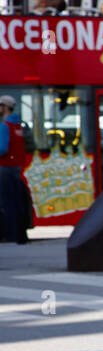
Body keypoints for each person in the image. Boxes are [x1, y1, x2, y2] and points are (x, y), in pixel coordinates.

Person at [0, 95, 32, 244]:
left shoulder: (4, 125)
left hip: (4, 168)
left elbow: (2, 149)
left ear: (5, 107)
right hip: (16, 168)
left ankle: (9, 234)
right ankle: (20, 234)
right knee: (17, 202)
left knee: (6, 203)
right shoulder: (18, 125)